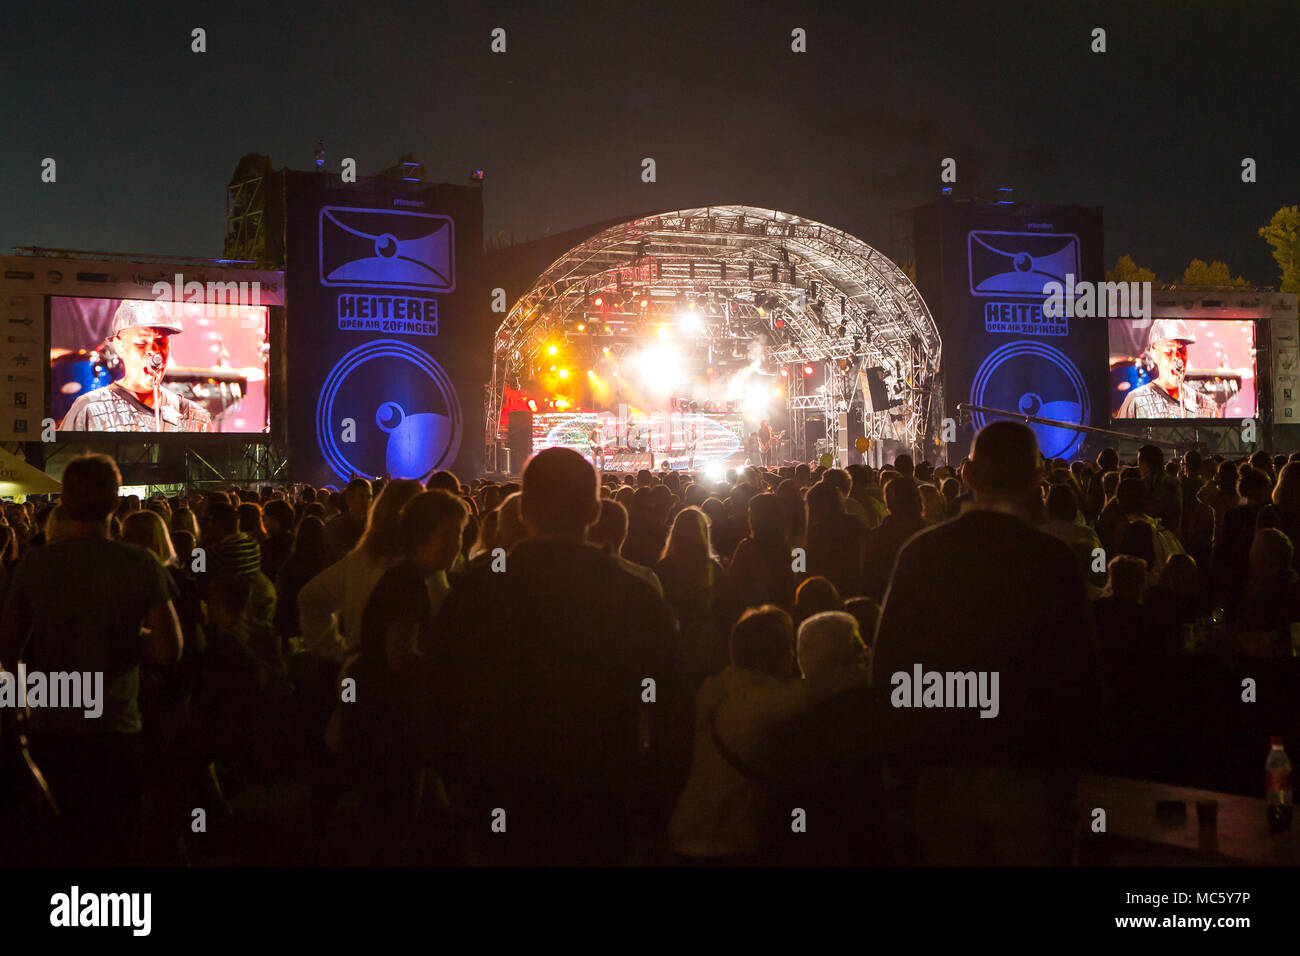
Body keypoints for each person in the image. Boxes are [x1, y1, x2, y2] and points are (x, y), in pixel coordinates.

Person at [429, 447, 688, 865]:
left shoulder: (477, 593)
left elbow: (439, 693)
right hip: (601, 804)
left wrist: (466, 789)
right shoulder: (635, 596)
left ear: (523, 511)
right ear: (594, 511)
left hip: (503, 802)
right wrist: (650, 802)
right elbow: (670, 707)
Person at [872, 421, 1101, 865]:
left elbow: (890, 668)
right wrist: (1073, 766)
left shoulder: (921, 553)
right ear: (1037, 481)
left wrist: (902, 760)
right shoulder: (1053, 561)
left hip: (942, 768)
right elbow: (1079, 676)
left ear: (968, 476)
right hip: (1028, 772)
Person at [0, 453, 181, 864]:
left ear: (64, 499)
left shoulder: (35, 563)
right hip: (116, 724)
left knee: (59, 838)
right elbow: (169, 650)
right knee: (113, 836)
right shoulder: (140, 563)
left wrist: (23, 705)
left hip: (51, 721)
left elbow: (6, 648)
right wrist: (127, 639)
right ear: (116, 501)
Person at [298, 479, 423, 664]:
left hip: (359, 673)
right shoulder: (361, 557)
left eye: (369, 497)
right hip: (371, 677)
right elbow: (310, 598)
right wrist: (338, 649)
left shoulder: (364, 558)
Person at [59, 300, 213, 432]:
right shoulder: (89, 408)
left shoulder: (195, 416)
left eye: (160, 342)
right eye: (141, 343)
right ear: (119, 346)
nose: (154, 352)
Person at [1116, 319, 1219, 419]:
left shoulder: (1207, 406)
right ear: (1154, 354)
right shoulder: (1136, 401)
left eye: (1182, 350)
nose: (1178, 359)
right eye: (1169, 351)